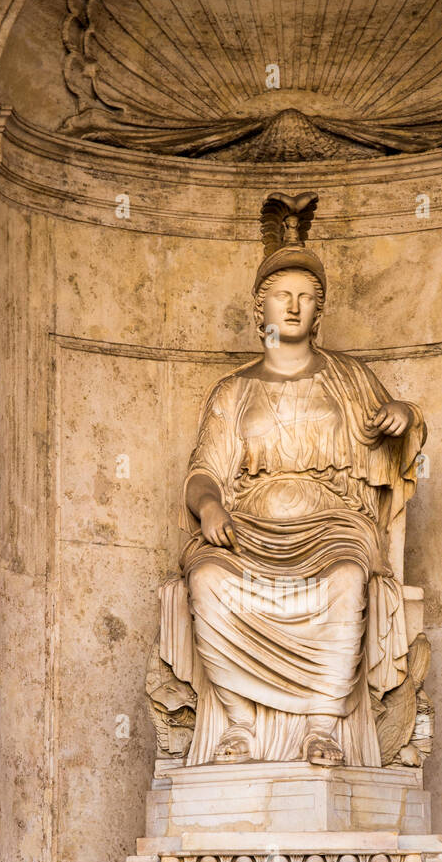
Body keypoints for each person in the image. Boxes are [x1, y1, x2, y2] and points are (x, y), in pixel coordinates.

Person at [160, 192, 426, 765]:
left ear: (319, 309)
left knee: (347, 581)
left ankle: (322, 726)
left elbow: (398, 449)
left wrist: (402, 418)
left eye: (306, 297)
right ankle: (238, 727)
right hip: (250, 531)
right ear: (260, 308)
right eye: (282, 295)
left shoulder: (351, 380)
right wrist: (210, 508)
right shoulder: (233, 391)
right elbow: (203, 473)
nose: (294, 305)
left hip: (331, 527)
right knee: (206, 579)